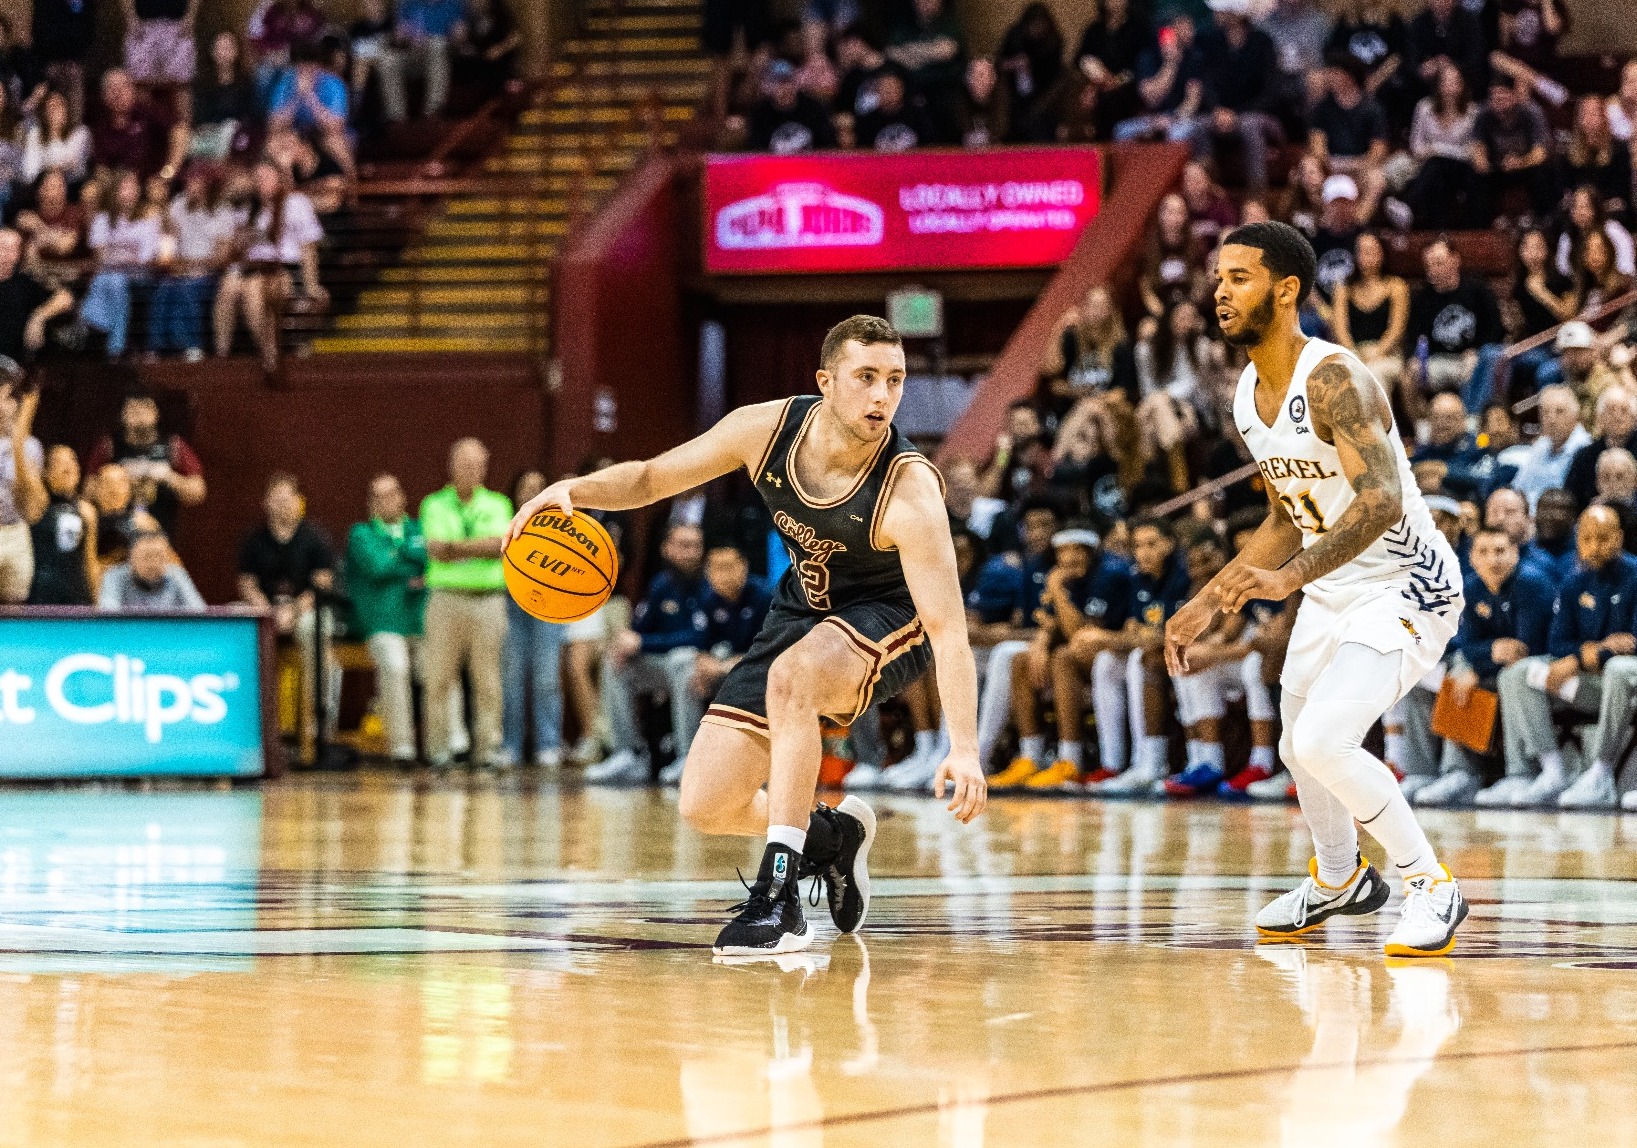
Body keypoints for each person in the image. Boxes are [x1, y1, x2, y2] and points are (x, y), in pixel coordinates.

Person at [506, 314, 986, 956]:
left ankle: (780, 899)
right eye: (866, 377)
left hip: (893, 617)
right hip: (804, 609)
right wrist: (574, 490)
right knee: (705, 804)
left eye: (894, 381)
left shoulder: (909, 491)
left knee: (794, 680)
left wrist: (965, 747)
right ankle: (829, 840)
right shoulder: (765, 430)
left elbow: (950, 630)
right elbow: (651, 478)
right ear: (826, 382)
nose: (881, 396)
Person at [1165, 221, 1468, 957]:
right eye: (1218, 277)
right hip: (1333, 586)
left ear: (1285, 289)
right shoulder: (1246, 393)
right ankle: (1338, 878)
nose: (1220, 291)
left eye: (1238, 277)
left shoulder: (1334, 379)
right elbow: (1283, 514)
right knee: (1302, 749)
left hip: (1404, 583)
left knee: (1323, 738)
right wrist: (1210, 596)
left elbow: (1382, 502)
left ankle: (1430, 885)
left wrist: (1289, 577)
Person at [1492, 505, 1637, 809]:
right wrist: (1593, 653)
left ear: (1619, 538)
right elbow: (1557, 643)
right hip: (1588, 685)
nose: (1594, 546)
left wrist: (1589, 654)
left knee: (1619, 669)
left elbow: (1632, 644)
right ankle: (1551, 770)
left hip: (1625, 685)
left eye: (1603, 538)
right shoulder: (1574, 582)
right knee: (1518, 673)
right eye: (1587, 538)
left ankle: (1602, 773)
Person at [1402, 525, 1554, 805]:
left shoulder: (1532, 584)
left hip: (1538, 667)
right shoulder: (1471, 587)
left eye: (1500, 551)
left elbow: (1524, 648)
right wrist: (1490, 653)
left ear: (1516, 554)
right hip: (1490, 668)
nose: (1493, 560)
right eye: (1483, 552)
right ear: (1471, 558)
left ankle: (1491, 772)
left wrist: (1481, 664)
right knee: (1433, 671)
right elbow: (1467, 644)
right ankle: (1429, 771)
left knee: (1500, 673)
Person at [420, 437, 511, 768]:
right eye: (465, 463)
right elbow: (434, 548)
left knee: (488, 679)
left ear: (485, 468)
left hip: (488, 600)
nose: (472, 470)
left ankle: (488, 749)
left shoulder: (499, 504)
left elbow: (499, 545)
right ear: (451, 466)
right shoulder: (433, 504)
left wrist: (455, 548)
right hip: (445, 600)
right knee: (438, 677)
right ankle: (439, 750)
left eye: (478, 464)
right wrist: (476, 546)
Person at [238, 472, 338, 738]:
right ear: (266, 503)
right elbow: (247, 584)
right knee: (236, 621)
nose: (283, 505)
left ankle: (317, 724)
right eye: (277, 500)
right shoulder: (254, 539)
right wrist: (267, 612)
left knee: (314, 629)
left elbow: (321, 585)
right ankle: (245, 719)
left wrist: (292, 612)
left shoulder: (316, 537)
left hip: (304, 610)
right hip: (265, 610)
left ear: (298, 502)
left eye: (288, 499)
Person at [346, 472, 430, 764]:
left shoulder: (421, 528)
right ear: (370, 503)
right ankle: (402, 748)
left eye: (392, 493)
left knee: (440, 668)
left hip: (419, 624)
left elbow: (431, 563)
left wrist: (401, 555)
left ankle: (445, 747)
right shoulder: (361, 534)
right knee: (396, 666)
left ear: (403, 497)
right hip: (380, 624)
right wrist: (411, 558)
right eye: (378, 496)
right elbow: (378, 566)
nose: (387, 501)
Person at [501, 470, 566, 769]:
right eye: (526, 487)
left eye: (539, 488)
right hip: (512, 605)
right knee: (511, 679)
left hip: (550, 607)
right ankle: (510, 745)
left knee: (547, 679)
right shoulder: (508, 522)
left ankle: (549, 744)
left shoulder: (564, 526)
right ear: (515, 493)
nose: (532, 492)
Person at [86, 392, 206, 538]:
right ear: (122, 414)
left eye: (146, 407)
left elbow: (198, 491)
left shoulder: (174, 445)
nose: (139, 413)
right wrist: (115, 480)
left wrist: (169, 477)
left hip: (160, 533)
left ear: (156, 413)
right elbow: (87, 491)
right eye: (133, 408)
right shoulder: (109, 446)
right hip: (114, 534)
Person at [1407, 239, 1505, 412]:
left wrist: (1476, 350)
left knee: (1488, 362)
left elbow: (1495, 328)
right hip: (1436, 360)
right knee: (1408, 376)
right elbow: (1413, 335)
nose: (1434, 270)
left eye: (1439, 263)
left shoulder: (1477, 289)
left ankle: (1473, 421)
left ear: (1455, 260)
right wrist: (1413, 359)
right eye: (1429, 265)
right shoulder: (1421, 297)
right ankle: (1422, 430)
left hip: (1470, 358)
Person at [26, 444, 97, 605]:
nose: (68, 466)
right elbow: (26, 482)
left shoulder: (87, 511)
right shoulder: (37, 506)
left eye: (73, 461)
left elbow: (90, 561)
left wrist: (96, 602)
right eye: (59, 462)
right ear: (46, 472)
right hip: (43, 596)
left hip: (78, 596)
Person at [0, 365, 43, 603]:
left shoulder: (30, 446)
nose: (2, 406)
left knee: (14, 613)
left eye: (7, 398)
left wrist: (17, 444)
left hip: (16, 531)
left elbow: (31, 508)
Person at [1510, 385, 1591, 511]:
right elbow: (1518, 488)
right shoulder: (1541, 445)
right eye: (1545, 412)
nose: (1552, 419)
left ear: (1576, 415)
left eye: (1560, 411)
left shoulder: (1586, 450)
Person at [0, 226, 73, 364]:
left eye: (12, 249)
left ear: (18, 255)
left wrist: (39, 316)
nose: (5, 254)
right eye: (2, 247)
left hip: (14, 363)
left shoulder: (26, 281)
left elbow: (65, 297)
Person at [98, 527, 204, 611]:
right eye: (147, 556)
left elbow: (198, 611)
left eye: (159, 556)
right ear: (131, 559)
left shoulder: (176, 574)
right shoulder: (114, 575)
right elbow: (108, 613)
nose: (153, 563)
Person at [122, 0, 200, 92]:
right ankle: (143, 107)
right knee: (140, 81)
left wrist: (190, 17)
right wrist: (131, 18)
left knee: (181, 83)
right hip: (143, 26)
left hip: (178, 25)